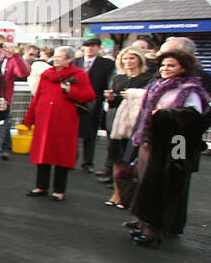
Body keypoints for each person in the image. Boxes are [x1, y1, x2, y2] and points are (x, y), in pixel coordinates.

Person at [126, 49, 211, 248]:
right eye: (163, 65)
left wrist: (168, 114)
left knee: (166, 186)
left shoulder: (190, 88)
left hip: (174, 145)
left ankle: (155, 231)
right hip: (151, 143)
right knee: (147, 184)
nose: (165, 68)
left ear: (183, 67)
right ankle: (145, 223)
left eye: (171, 65)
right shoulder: (157, 84)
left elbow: (194, 117)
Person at [21, 46, 94, 200]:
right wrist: (29, 118)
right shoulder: (47, 75)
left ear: (69, 59)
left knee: (62, 154)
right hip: (44, 118)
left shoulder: (79, 75)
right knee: (42, 152)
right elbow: (38, 97)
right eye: (56, 56)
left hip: (65, 121)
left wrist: (70, 91)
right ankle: (41, 186)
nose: (56, 59)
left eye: (60, 57)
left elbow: (89, 95)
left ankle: (58, 190)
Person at [101, 47, 153, 209]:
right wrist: (111, 99)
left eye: (132, 58)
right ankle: (117, 193)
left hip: (137, 124)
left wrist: (134, 95)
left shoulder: (147, 79)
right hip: (117, 123)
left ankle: (130, 196)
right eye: (125, 58)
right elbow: (114, 103)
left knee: (133, 160)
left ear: (139, 60)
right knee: (117, 158)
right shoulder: (118, 78)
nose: (128, 62)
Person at [0, 34, 29, 192]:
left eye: (0, 45)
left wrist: (15, 54)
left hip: (2, 108)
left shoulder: (10, 61)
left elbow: (23, 73)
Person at [73, 37, 114, 175]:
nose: (90, 48)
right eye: (87, 46)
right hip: (75, 102)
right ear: (83, 48)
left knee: (90, 135)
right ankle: (71, 160)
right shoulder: (75, 62)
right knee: (72, 133)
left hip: (94, 104)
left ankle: (87, 163)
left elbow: (109, 82)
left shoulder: (107, 64)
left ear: (99, 48)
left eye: (93, 46)